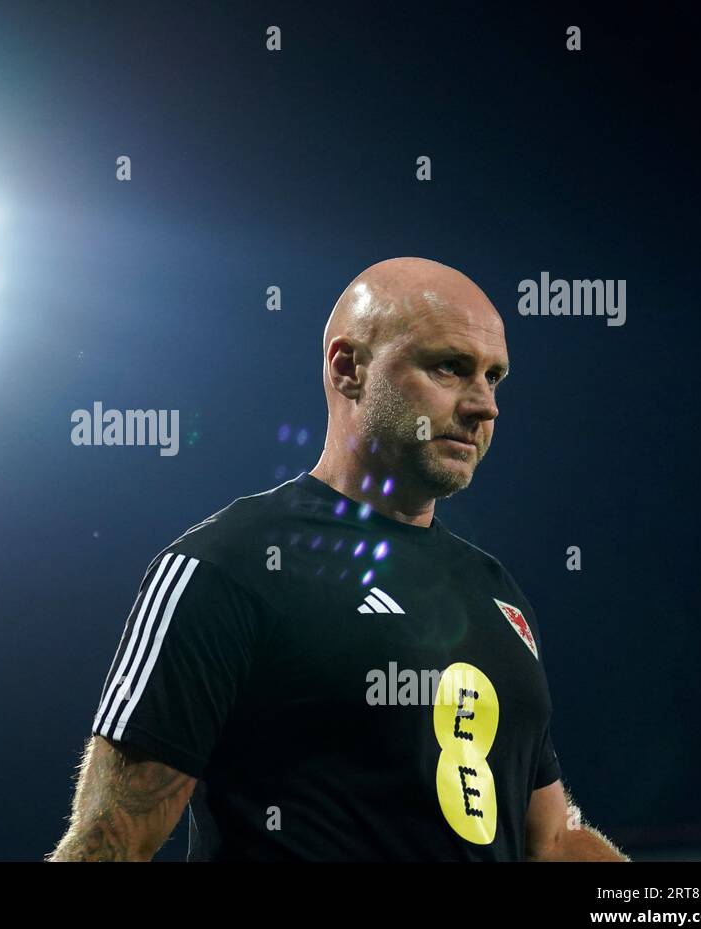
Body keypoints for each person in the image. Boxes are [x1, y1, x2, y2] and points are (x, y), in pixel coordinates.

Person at [47, 257, 628, 861]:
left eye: (494, 377)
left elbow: (552, 842)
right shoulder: (227, 566)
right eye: (450, 368)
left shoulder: (494, 589)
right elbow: (110, 844)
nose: (485, 406)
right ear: (349, 369)